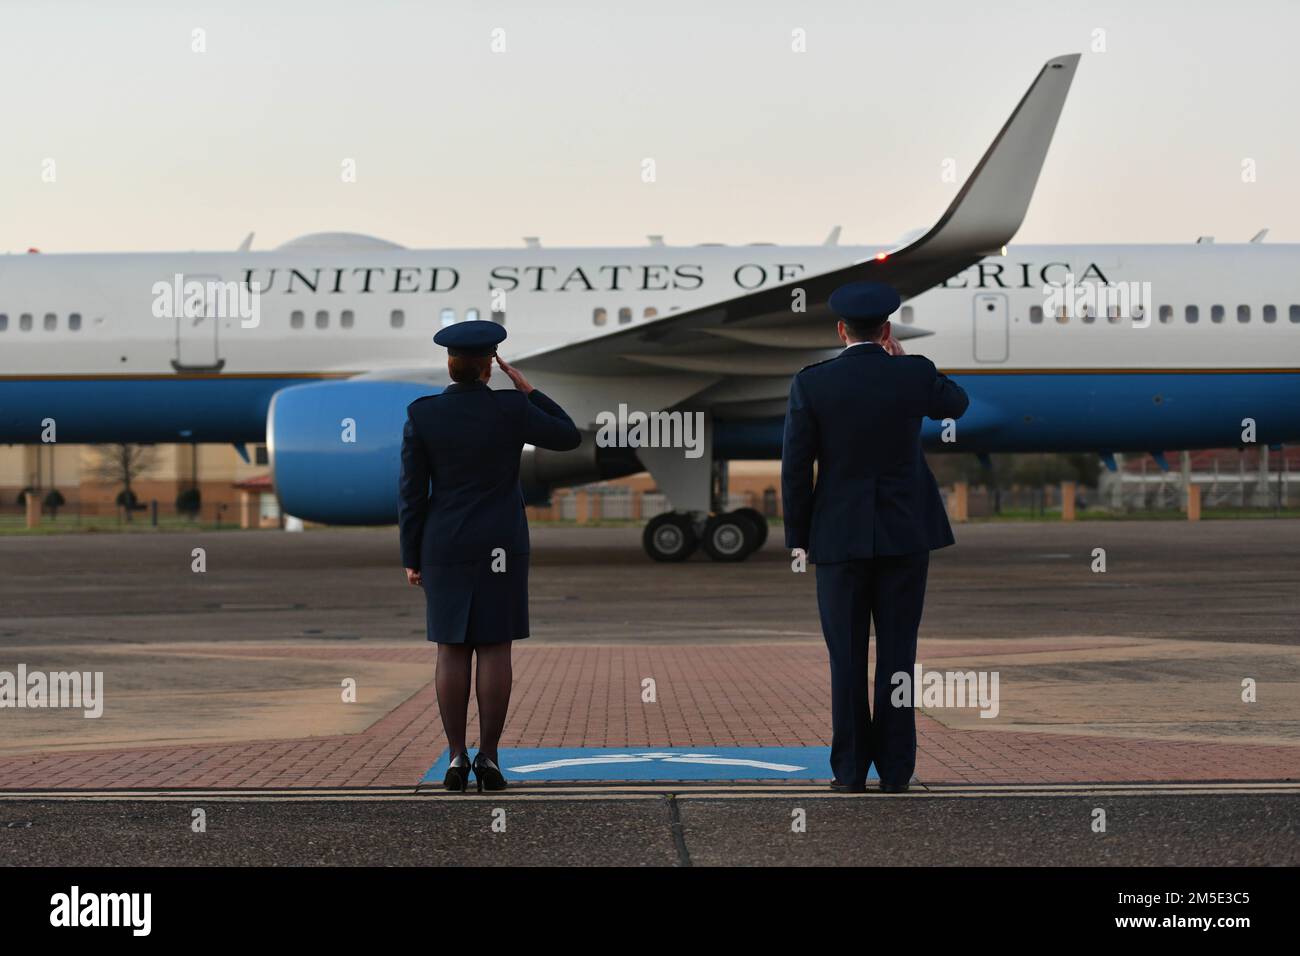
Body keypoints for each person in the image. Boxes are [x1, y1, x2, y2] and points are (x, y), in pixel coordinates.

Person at [781, 281, 969, 794]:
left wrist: (799, 534)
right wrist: (908, 362)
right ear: (887, 330)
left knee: (845, 658)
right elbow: (956, 405)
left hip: (838, 540)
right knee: (897, 656)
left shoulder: (812, 383)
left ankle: (848, 772)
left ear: (840, 330)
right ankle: (896, 770)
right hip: (906, 536)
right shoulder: (914, 373)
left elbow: (796, 467)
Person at [398, 320, 581, 792]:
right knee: (495, 645)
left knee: (452, 647)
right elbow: (567, 436)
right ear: (490, 367)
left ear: (450, 364)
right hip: (501, 541)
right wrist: (530, 390)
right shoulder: (512, 407)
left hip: (444, 544)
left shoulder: (423, 415)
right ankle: (491, 757)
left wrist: (411, 554)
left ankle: (456, 757)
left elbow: (411, 494)